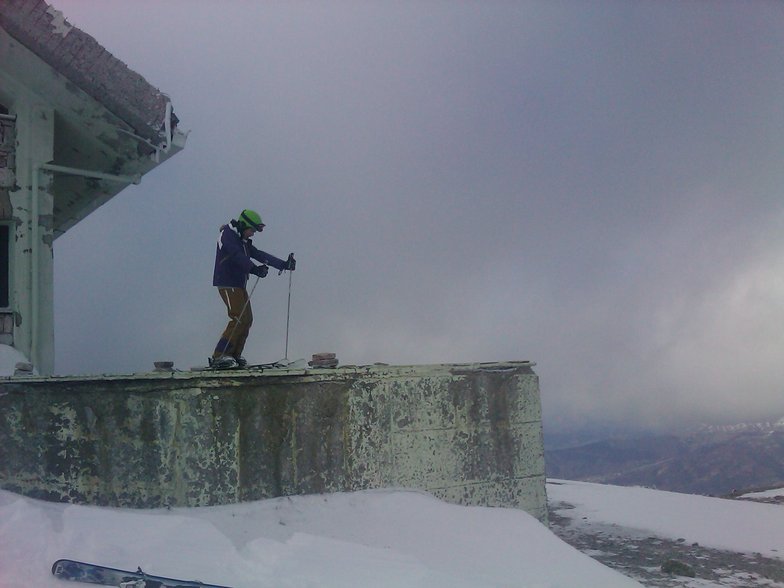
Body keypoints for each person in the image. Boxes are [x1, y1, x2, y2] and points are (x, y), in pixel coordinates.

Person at [210, 209, 295, 368]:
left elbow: (258, 254)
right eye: (252, 230)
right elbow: (235, 255)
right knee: (238, 318)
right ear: (243, 225)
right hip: (227, 283)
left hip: (239, 285)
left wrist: (284, 264)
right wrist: (253, 269)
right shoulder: (227, 235)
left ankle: (234, 355)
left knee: (247, 319)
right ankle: (220, 356)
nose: (253, 234)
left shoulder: (242, 241)